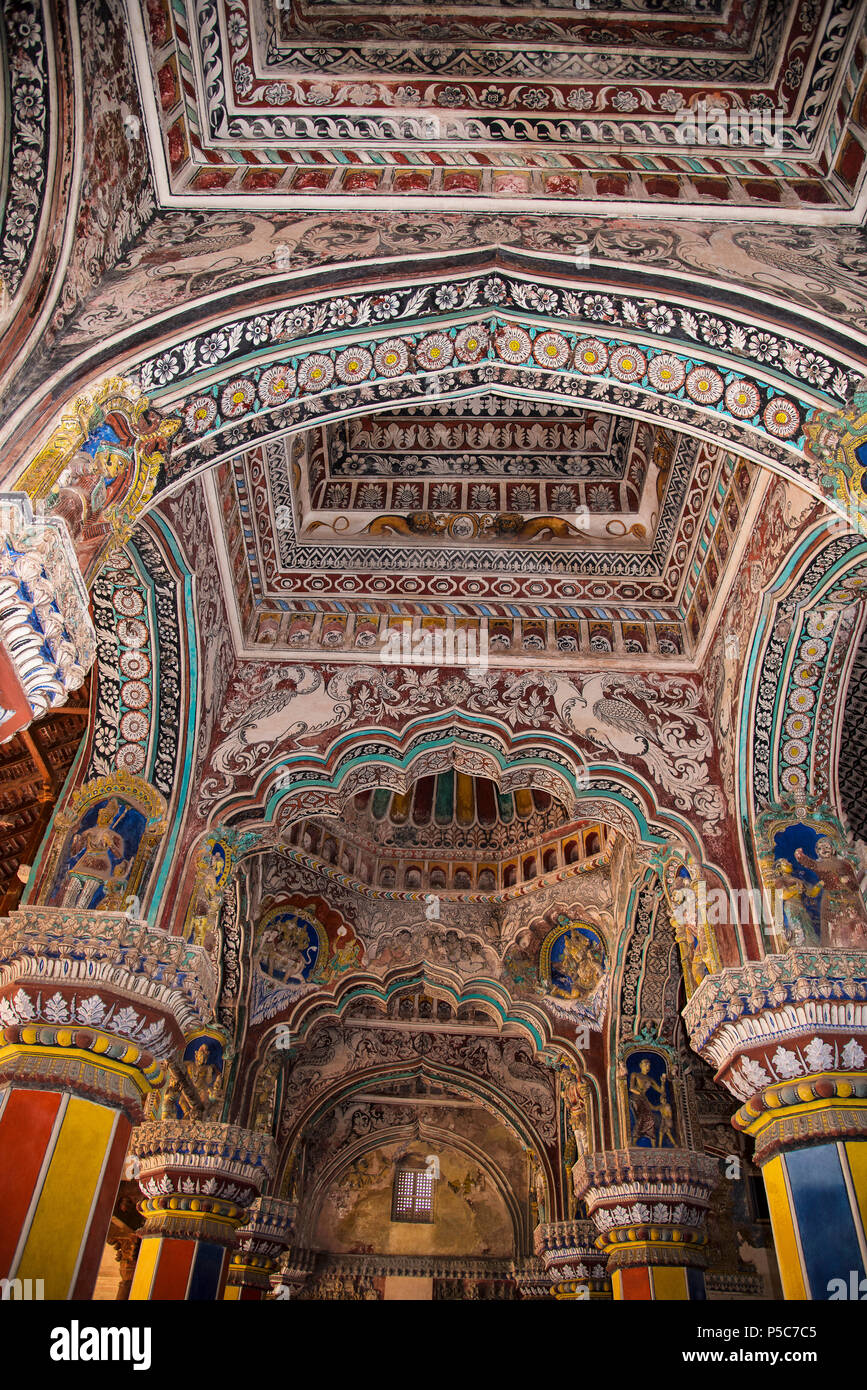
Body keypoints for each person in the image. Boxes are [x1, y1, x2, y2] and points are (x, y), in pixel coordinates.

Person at [794, 839, 867, 947]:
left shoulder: (844, 864)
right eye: (820, 848)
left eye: (827, 847)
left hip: (849, 899)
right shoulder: (820, 865)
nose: (824, 850)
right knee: (833, 926)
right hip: (831, 900)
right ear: (817, 852)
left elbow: (855, 886)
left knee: (853, 924)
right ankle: (835, 946)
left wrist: (848, 881)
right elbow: (811, 864)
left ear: (833, 850)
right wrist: (800, 857)